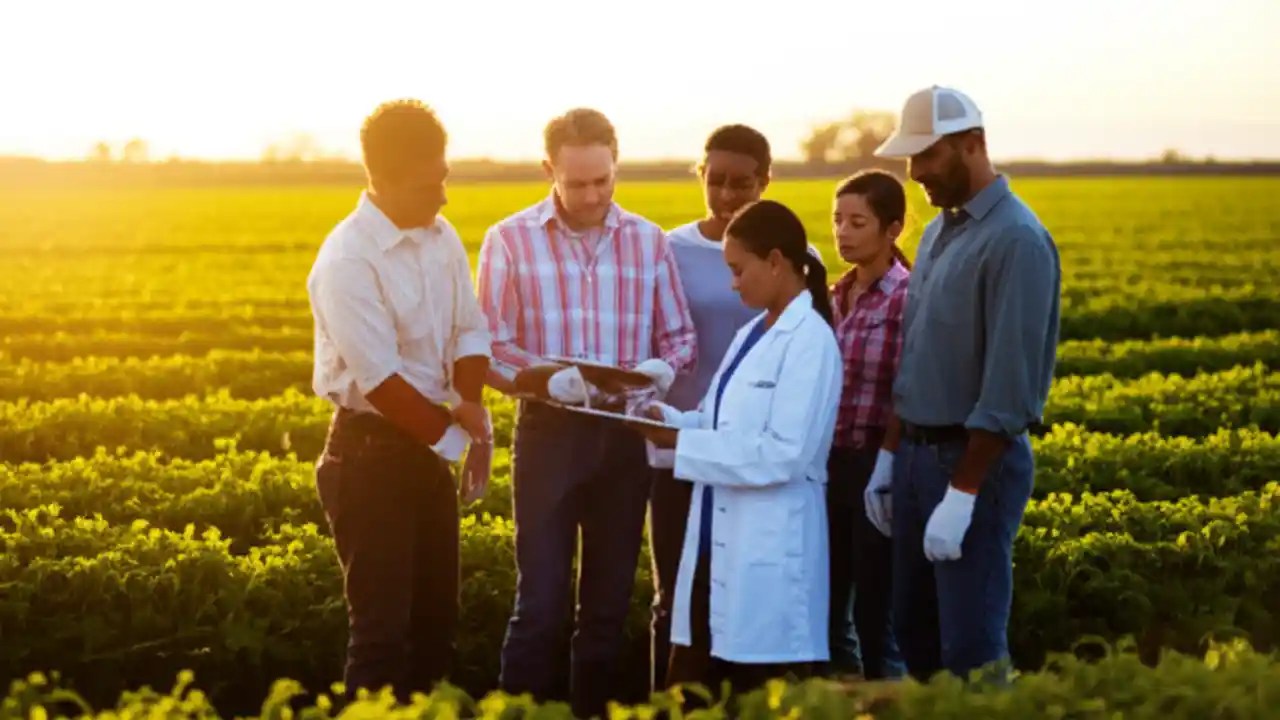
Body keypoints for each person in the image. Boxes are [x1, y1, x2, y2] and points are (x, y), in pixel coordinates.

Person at [475, 107, 698, 719]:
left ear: (615, 165)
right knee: (540, 604)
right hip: (549, 434)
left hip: (624, 438)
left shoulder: (649, 240)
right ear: (549, 170)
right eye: (578, 184)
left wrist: (659, 372)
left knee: (604, 610)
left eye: (604, 180)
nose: (593, 195)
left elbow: (680, 337)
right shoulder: (509, 240)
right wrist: (550, 379)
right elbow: (488, 346)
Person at [871, 86, 1061, 682]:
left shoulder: (1016, 240)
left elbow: (1010, 387)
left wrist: (963, 494)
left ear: (973, 144)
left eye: (927, 155)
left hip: (971, 464)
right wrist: (889, 457)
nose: (914, 171)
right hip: (916, 458)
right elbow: (916, 355)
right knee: (915, 635)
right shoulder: (937, 233)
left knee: (971, 654)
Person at [306, 99, 493, 702]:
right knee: (381, 638)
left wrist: (469, 403)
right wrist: (463, 440)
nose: (443, 198)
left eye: (444, 179)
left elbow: (469, 328)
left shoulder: (440, 238)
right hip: (369, 458)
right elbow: (381, 383)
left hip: (425, 445)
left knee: (436, 628)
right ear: (380, 181)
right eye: (428, 185)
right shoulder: (347, 260)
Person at [632, 199, 842, 699]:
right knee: (693, 689)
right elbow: (715, 417)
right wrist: (668, 420)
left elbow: (783, 454)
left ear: (774, 261)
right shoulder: (754, 331)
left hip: (769, 550)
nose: (733, 284)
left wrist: (681, 445)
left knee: (755, 694)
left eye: (738, 269)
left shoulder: (809, 340)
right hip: (716, 541)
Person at [647, 123, 771, 694]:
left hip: (752, 456)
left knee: (745, 599)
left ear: (764, 183)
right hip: (680, 451)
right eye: (715, 180)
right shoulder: (669, 250)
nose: (726, 195)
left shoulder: (796, 257)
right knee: (676, 595)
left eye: (741, 183)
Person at [824, 170, 911, 680]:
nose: (844, 232)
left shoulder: (904, 296)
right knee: (828, 599)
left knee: (877, 607)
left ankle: (887, 698)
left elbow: (907, 388)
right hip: (829, 463)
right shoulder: (835, 295)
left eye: (858, 221)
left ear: (892, 228)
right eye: (838, 220)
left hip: (875, 462)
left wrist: (888, 464)